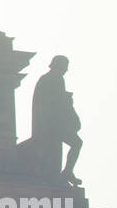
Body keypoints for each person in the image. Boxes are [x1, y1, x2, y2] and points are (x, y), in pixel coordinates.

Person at [31, 55, 83, 186]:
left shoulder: (48, 78)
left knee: (76, 143)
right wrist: (69, 104)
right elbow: (58, 104)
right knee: (77, 143)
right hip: (52, 125)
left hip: (50, 123)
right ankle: (66, 173)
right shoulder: (55, 79)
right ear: (58, 66)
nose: (66, 70)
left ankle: (67, 172)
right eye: (65, 66)